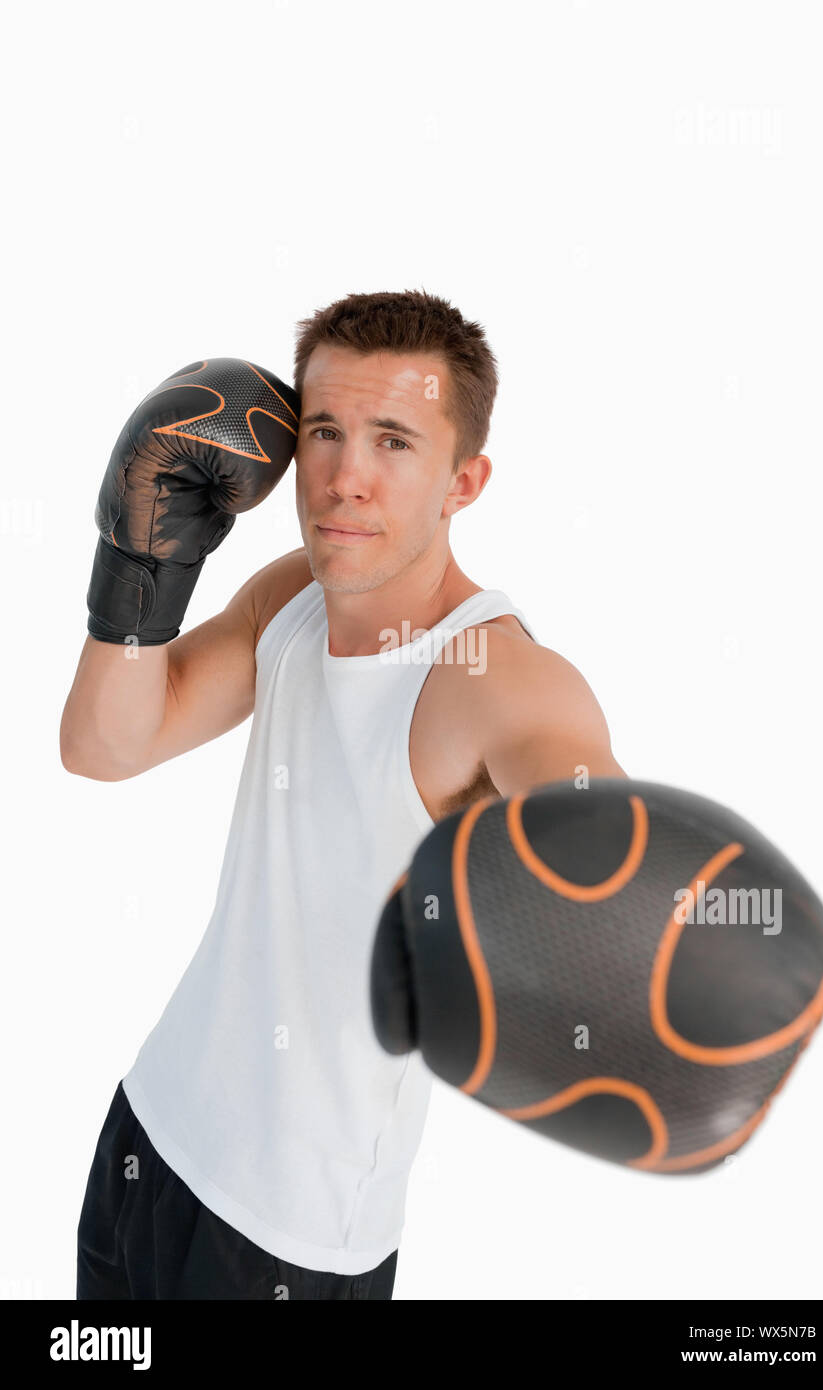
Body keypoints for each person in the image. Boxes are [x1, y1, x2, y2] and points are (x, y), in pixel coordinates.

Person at [61, 290, 625, 1300]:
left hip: (289, 1237)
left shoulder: (497, 678)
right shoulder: (292, 596)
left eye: (393, 441)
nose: (342, 477)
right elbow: (106, 745)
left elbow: (594, 832)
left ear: (464, 482)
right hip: (148, 1137)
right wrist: (135, 564)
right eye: (323, 429)